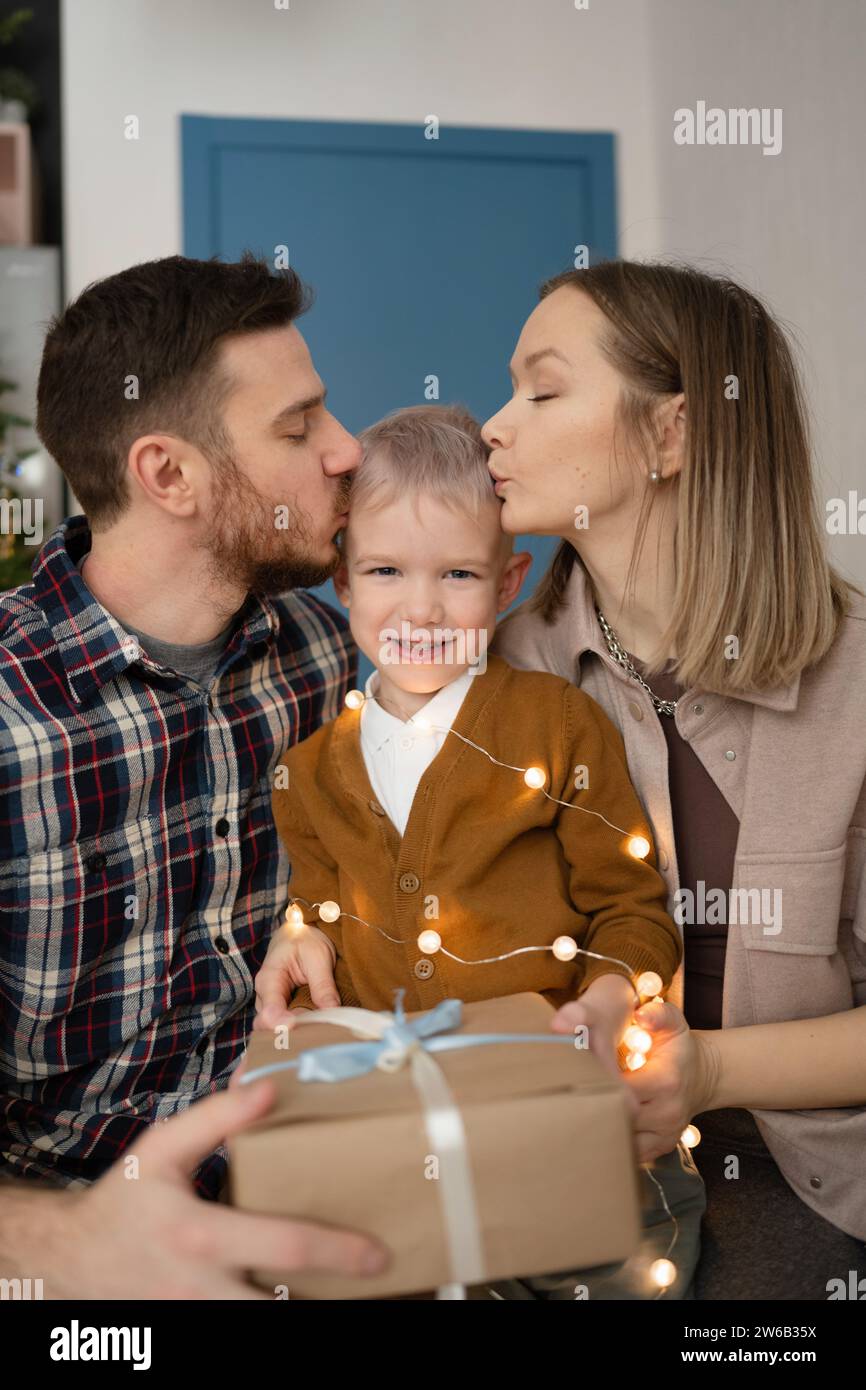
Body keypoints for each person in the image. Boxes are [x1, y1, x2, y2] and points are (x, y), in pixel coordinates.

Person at [0, 253, 390, 1297]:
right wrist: (70, 1249)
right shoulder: (11, 718)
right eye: (297, 427)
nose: (347, 450)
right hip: (73, 1257)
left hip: (309, 1199)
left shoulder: (322, 651)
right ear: (167, 474)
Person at [256, 402, 706, 1300]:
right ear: (342, 581)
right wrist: (297, 935)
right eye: (385, 570)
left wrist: (615, 995)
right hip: (407, 1145)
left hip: (562, 1124)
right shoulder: (309, 772)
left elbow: (630, 904)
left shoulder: (556, 724)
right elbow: (318, 902)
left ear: (508, 582)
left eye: (457, 573)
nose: (419, 607)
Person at [483, 260, 866, 1299]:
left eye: (541, 389)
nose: (493, 426)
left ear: (670, 434)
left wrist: (705, 1070)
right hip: (570, 1178)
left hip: (813, 1190)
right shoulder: (494, 672)